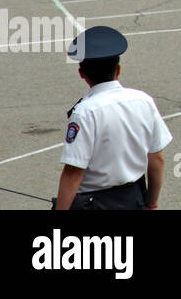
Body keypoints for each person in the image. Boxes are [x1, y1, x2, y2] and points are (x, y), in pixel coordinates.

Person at [57, 26, 172, 210]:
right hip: (133, 198)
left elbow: (73, 173)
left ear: (82, 73)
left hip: (93, 203)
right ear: (118, 70)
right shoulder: (143, 101)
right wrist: (152, 203)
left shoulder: (84, 113)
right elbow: (157, 158)